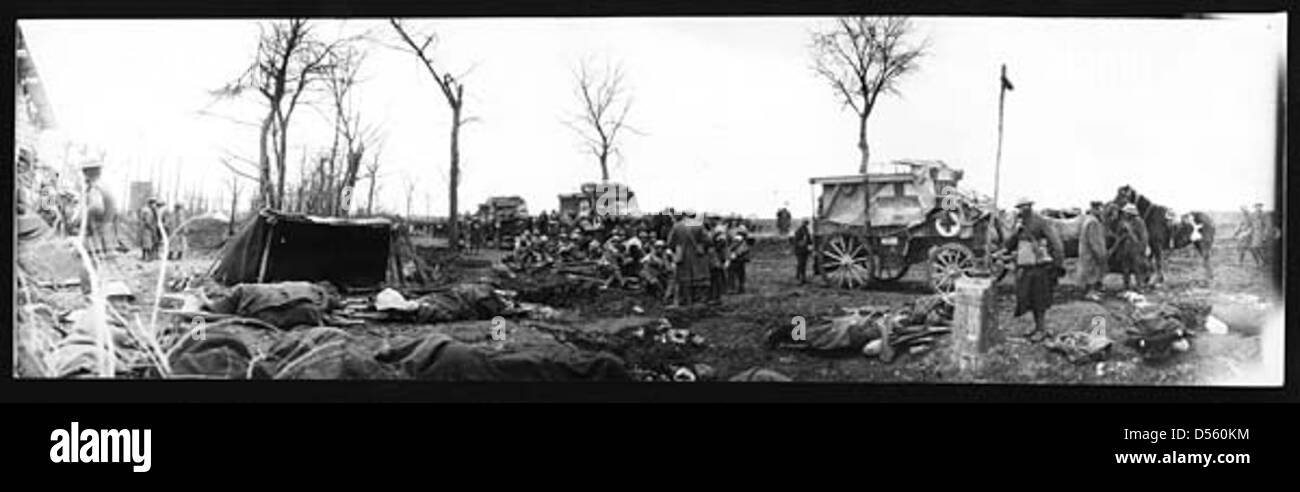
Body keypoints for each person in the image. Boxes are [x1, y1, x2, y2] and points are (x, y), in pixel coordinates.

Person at [1004, 198, 1064, 342]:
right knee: (1029, 299)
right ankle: (1037, 328)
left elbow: (1056, 244)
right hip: (1026, 268)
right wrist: (1015, 233)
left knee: (1039, 300)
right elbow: (1010, 244)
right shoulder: (1021, 225)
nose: (1022, 210)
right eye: (1020, 208)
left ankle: (1041, 330)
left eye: (1024, 207)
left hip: (1040, 268)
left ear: (1030, 207)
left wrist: (1057, 265)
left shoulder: (1041, 222)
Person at [666, 212, 711, 306]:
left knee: (683, 280)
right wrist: (701, 246)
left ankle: (685, 301)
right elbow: (708, 240)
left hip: (682, 256)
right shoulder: (698, 225)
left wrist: (678, 249)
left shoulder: (677, 226)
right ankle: (697, 301)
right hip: (696, 257)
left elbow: (670, 243)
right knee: (697, 279)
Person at [1110, 203, 1150, 291]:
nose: (1125, 214)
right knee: (1125, 268)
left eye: (1126, 212)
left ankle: (1140, 285)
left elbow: (1143, 237)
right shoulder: (1123, 222)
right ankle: (1126, 285)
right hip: (1125, 248)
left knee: (1137, 268)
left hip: (1136, 248)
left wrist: (1142, 248)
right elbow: (1119, 235)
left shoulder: (1139, 222)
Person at [1076, 201, 1109, 298]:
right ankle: (1090, 293)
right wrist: (1100, 254)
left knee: (1090, 271)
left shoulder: (1088, 220)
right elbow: (1094, 241)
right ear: (1096, 209)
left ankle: (1091, 291)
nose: (1102, 211)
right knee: (1092, 272)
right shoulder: (1093, 222)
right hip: (1091, 253)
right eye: (1100, 209)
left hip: (1087, 251)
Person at [792, 219, 813, 284]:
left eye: (806, 224)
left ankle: (798, 276)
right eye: (805, 223)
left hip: (804, 250)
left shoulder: (806, 230)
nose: (806, 225)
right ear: (803, 223)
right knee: (801, 263)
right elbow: (796, 241)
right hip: (800, 250)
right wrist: (803, 244)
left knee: (802, 263)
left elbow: (809, 239)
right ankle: (802, 278)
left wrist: (811, 245)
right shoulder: (799, 231)